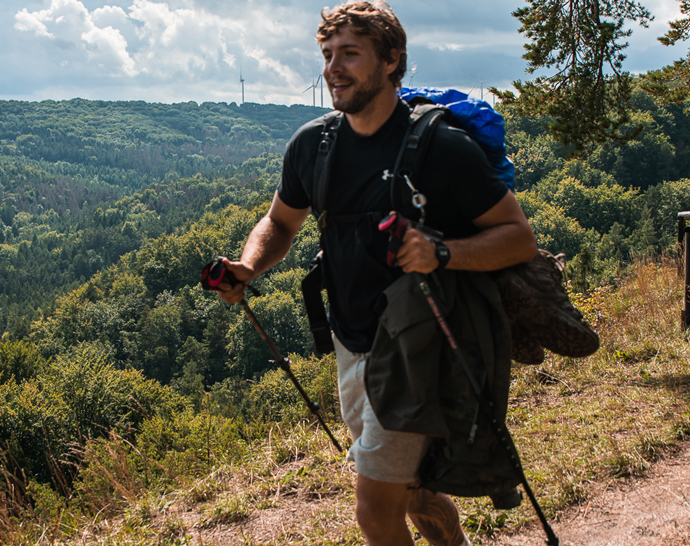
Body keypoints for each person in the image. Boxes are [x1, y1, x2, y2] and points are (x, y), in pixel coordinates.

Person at [211, 2, 535, 545]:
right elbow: (280, 222)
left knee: (374, 511)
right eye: (327, 54)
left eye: (350, 54)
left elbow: (518, 237)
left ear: (391, 60)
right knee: (412, 491)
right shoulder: (312, 146)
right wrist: (249, 264)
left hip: (419, 350)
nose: (333, 68)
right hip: (351, 341)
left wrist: (442, 252)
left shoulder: (441, 148)